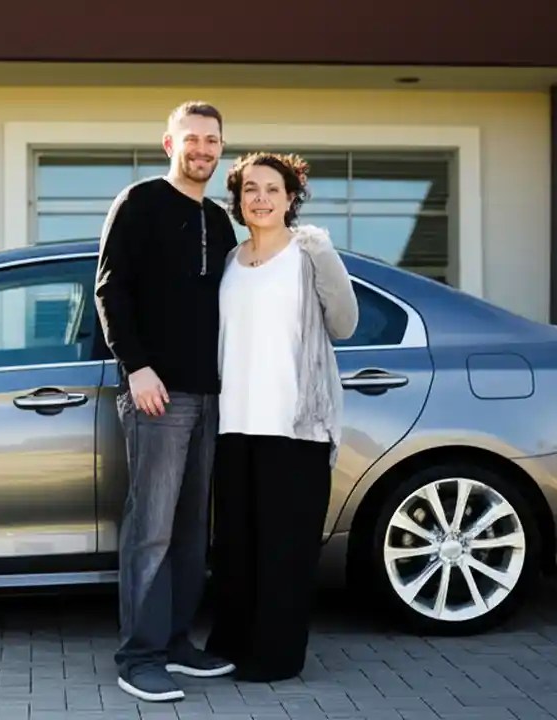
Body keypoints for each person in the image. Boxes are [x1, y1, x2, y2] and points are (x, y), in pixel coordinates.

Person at [94, 101, 239, 702]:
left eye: (212, 140)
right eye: (192, 139)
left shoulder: (220, 220)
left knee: (190, 530)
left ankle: (177, 641)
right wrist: (137, 368)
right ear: (169, 144)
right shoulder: (139, 202)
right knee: (150, 528)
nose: (202, 149)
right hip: (158, 394)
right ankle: (139, 656)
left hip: (210, 394)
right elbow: (110, 290)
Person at [204, 151, 358, 682]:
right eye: (250, 189)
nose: (261, 198)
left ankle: (276, 658)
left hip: (295, 427)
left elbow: (345, 324)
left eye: (272, 188)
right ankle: (231, 645)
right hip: (234, 424)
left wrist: (325, 260)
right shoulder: (230, 260)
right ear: (237, 199)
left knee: (284, 550)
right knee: (236, 547)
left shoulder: (310, 251)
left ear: (291, 197)